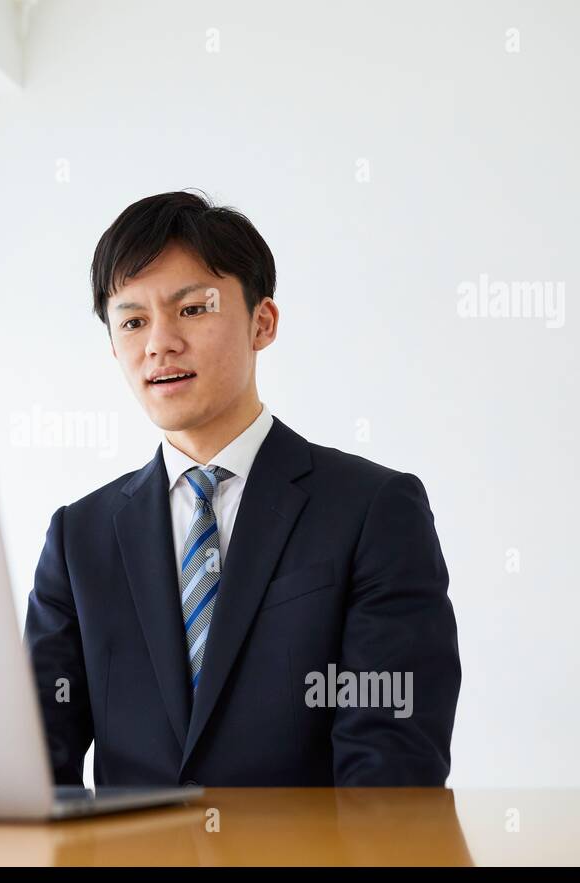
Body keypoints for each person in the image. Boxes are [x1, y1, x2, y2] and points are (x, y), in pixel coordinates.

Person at [24, 189, 461, 787]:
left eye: (192, 309)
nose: (159, 343)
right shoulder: (79, 538)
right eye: (132, 321)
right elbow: (36, 768)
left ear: (263, 322)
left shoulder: (374, 510)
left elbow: (391, 770)